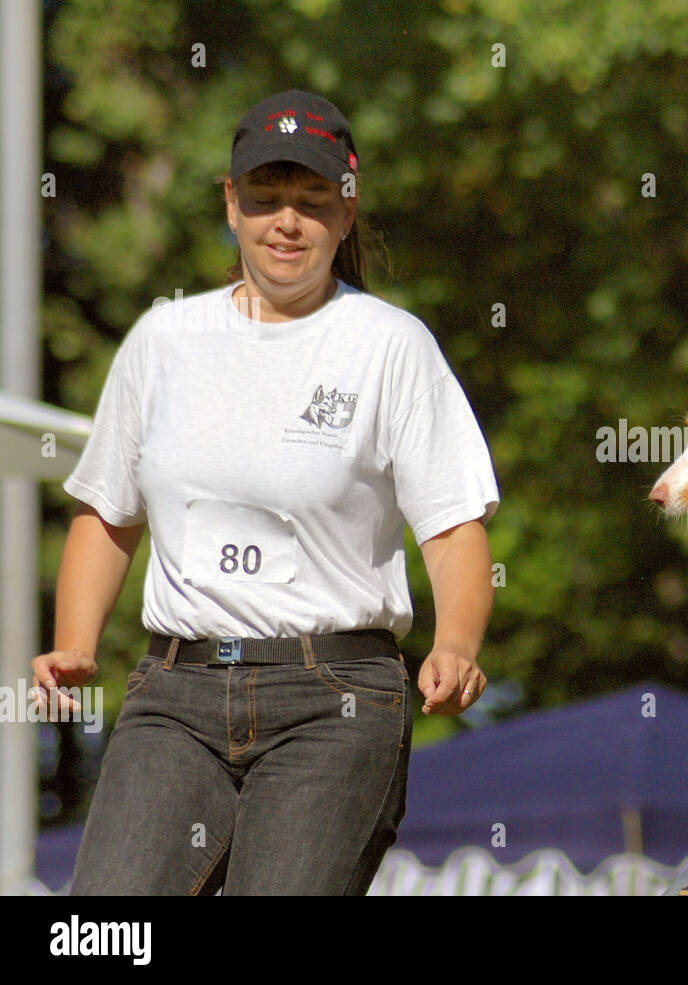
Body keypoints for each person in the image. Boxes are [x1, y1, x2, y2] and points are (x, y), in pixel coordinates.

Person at [31, 89, 500, 895]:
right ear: (230, 202)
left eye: (313, 201)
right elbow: (106, 512)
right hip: (174, 694)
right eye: (265, 197)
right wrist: (75, 642)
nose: (287, 221)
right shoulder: (163, 340)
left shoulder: (391, 346)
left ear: (347, 212)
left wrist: (456, 644)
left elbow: (454, 526)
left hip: (334, 702)